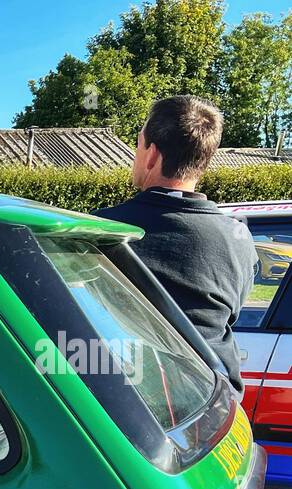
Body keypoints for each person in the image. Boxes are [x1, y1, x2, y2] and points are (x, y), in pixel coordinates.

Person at [95, 96, 256, 392]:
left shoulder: (99, 231)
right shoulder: (240, 239)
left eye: (139, 143)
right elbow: (229, 314)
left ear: (152, 155)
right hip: (220, 400)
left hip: (139, 407)